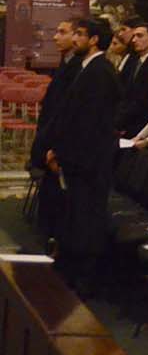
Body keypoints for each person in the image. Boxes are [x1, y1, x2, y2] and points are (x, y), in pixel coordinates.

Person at [34, 17, 121, 282]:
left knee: (85, 221)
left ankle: (82, 280)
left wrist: (62, 155)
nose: (74, 39)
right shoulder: (87, 68)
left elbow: (89, 123)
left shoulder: (101, 72)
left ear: (94, 40)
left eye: (79, 34)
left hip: (88, 162)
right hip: (77, 159)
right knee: (75, 219)